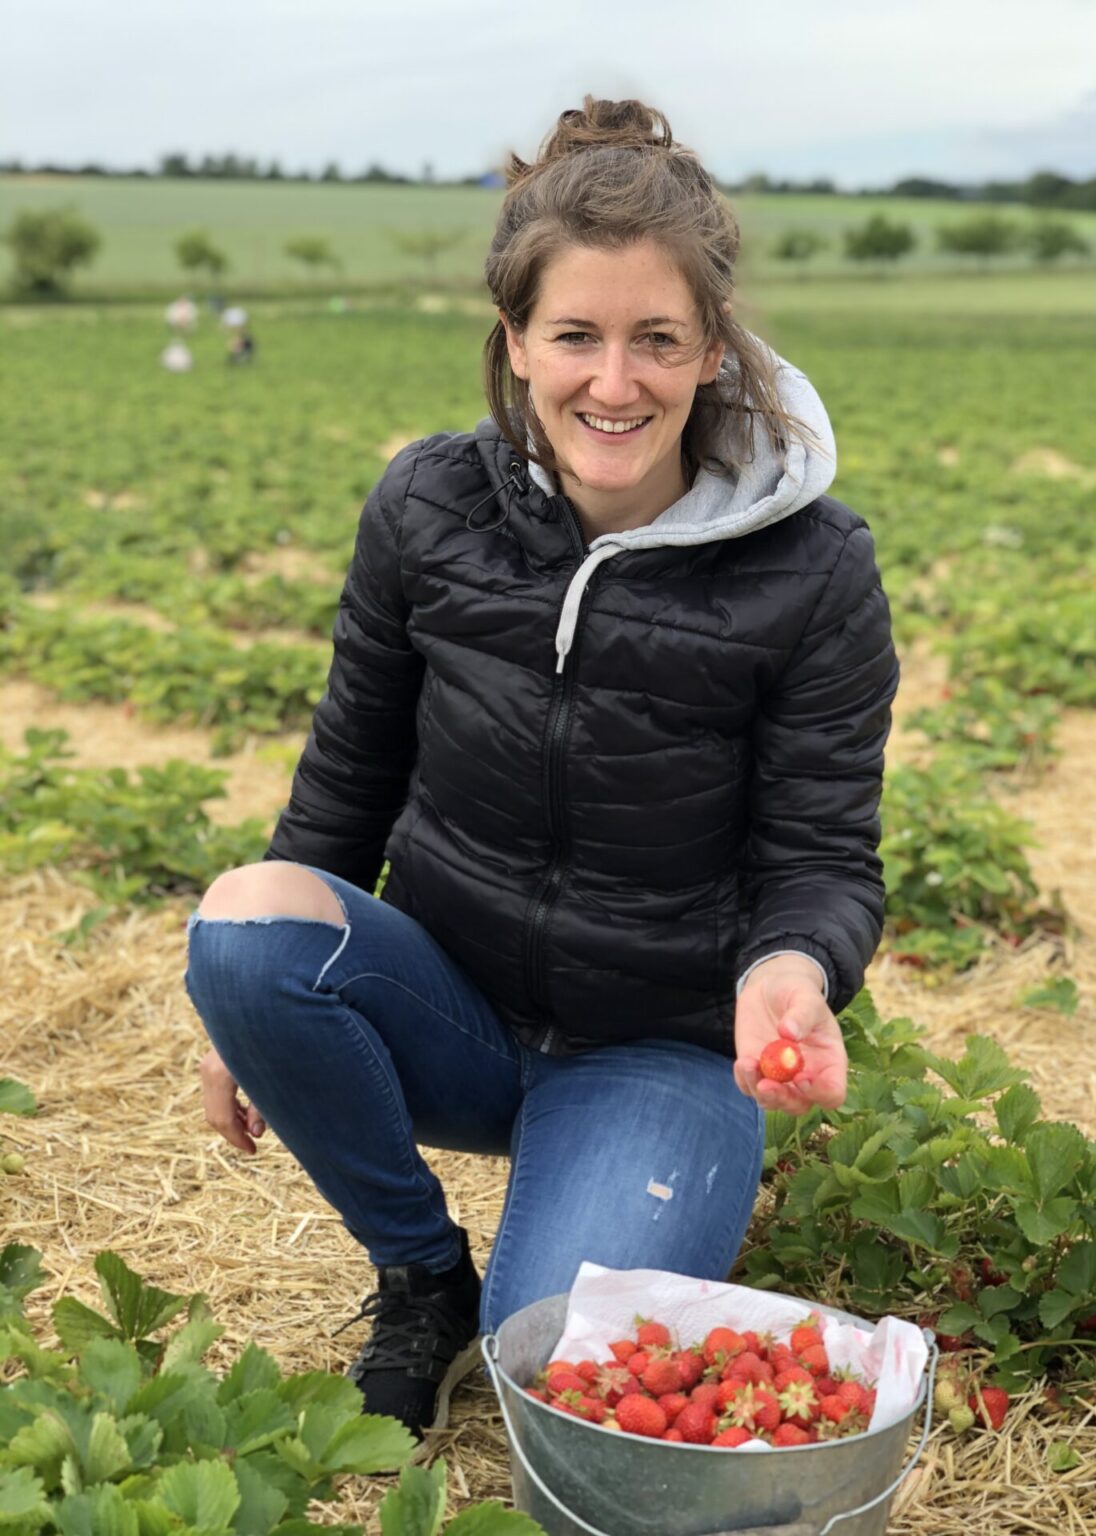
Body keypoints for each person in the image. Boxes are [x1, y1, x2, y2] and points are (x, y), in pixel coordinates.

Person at [185, 97, 899, 1443]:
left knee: (562, 1394)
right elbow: (349, 771)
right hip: (455, 1006)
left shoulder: (814, 572)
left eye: (656, 341)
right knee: (242, 923)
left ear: (715, 350)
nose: (612, 383)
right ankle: (418, 1272)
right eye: (574, 336)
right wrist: (250, 1007)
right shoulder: (428, 506)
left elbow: (821, 855)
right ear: (515, 342)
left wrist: (787, 977)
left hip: (664, 1049)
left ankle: (534, 1282)